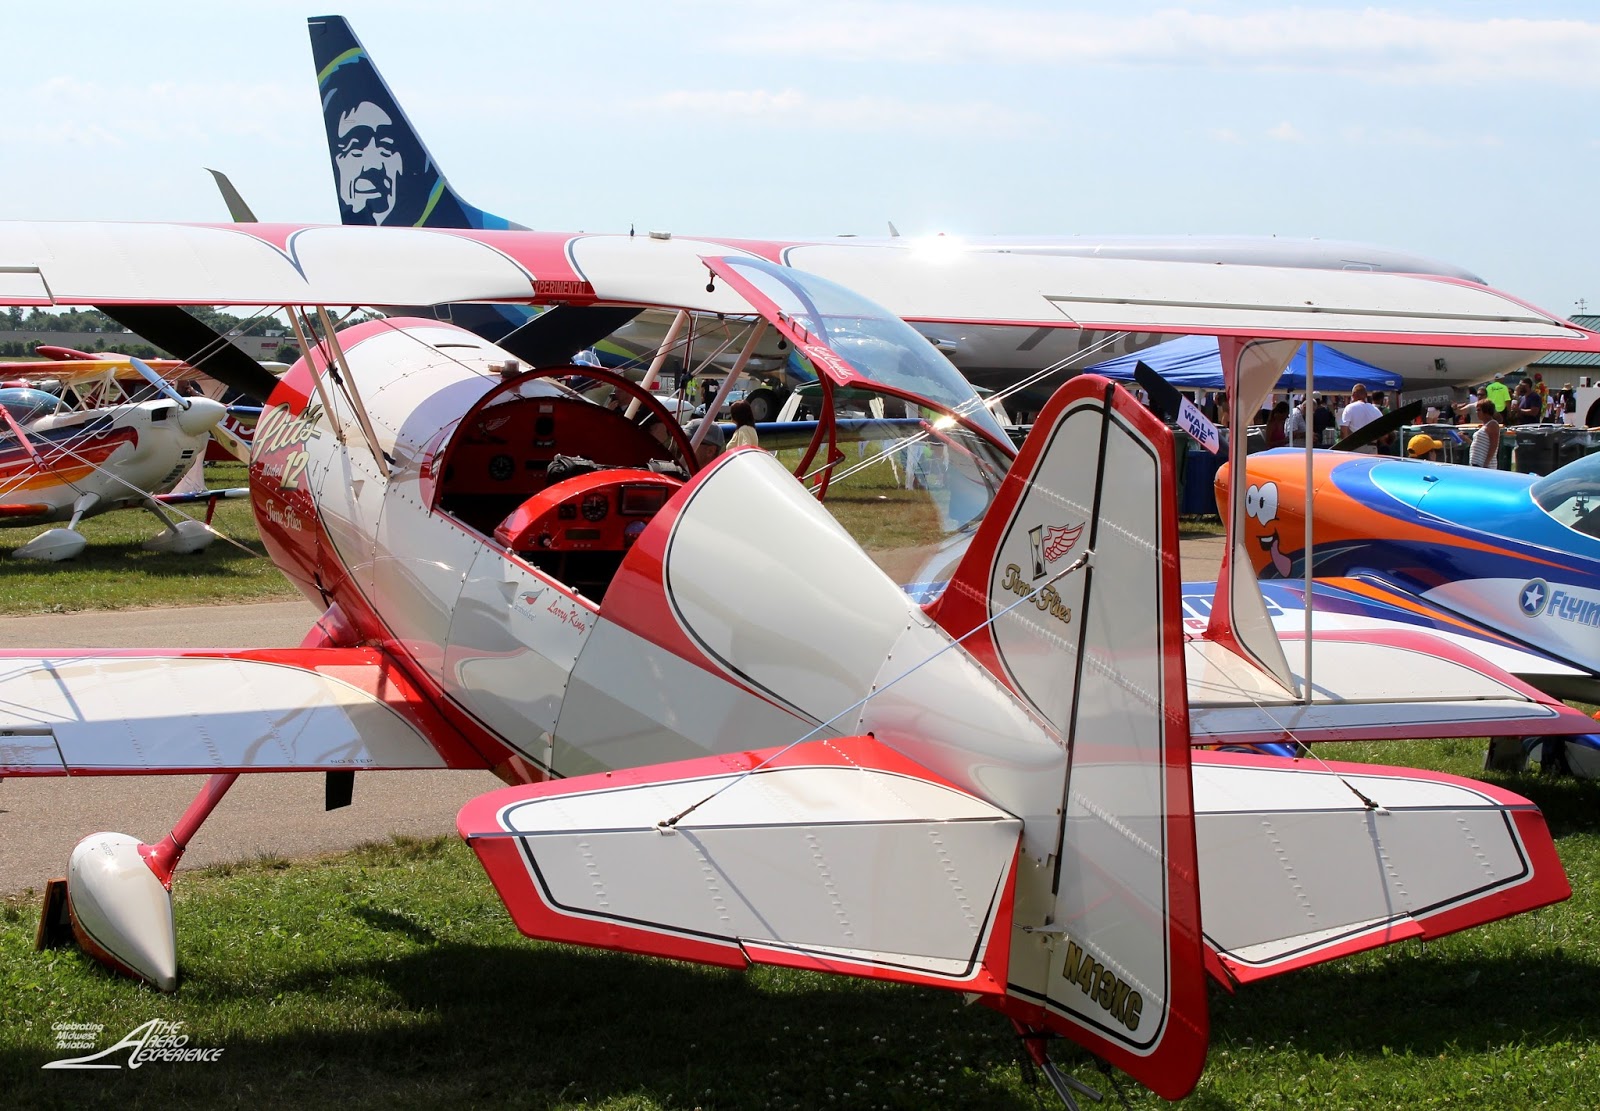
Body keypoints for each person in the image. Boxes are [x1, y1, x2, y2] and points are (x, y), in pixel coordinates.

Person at [1338, 383, 1383, 452]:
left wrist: (1345, 449)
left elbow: (1344, 430)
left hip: (1355, 447)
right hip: (1372, 447)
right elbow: (1383, 433)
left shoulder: (1350, 408)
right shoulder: (1376, 410)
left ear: (1354, 395)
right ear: (1366, 395)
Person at [1469, 400, 1501, 468]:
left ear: (1486, 411)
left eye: (1478, 410)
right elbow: (1478, 445)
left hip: (1485, 465)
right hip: (1476, 463)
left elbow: (1493, 446)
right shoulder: (1483, 426)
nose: (1476, 412)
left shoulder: (1492, 424)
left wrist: (1486, 464)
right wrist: (1465, 438)